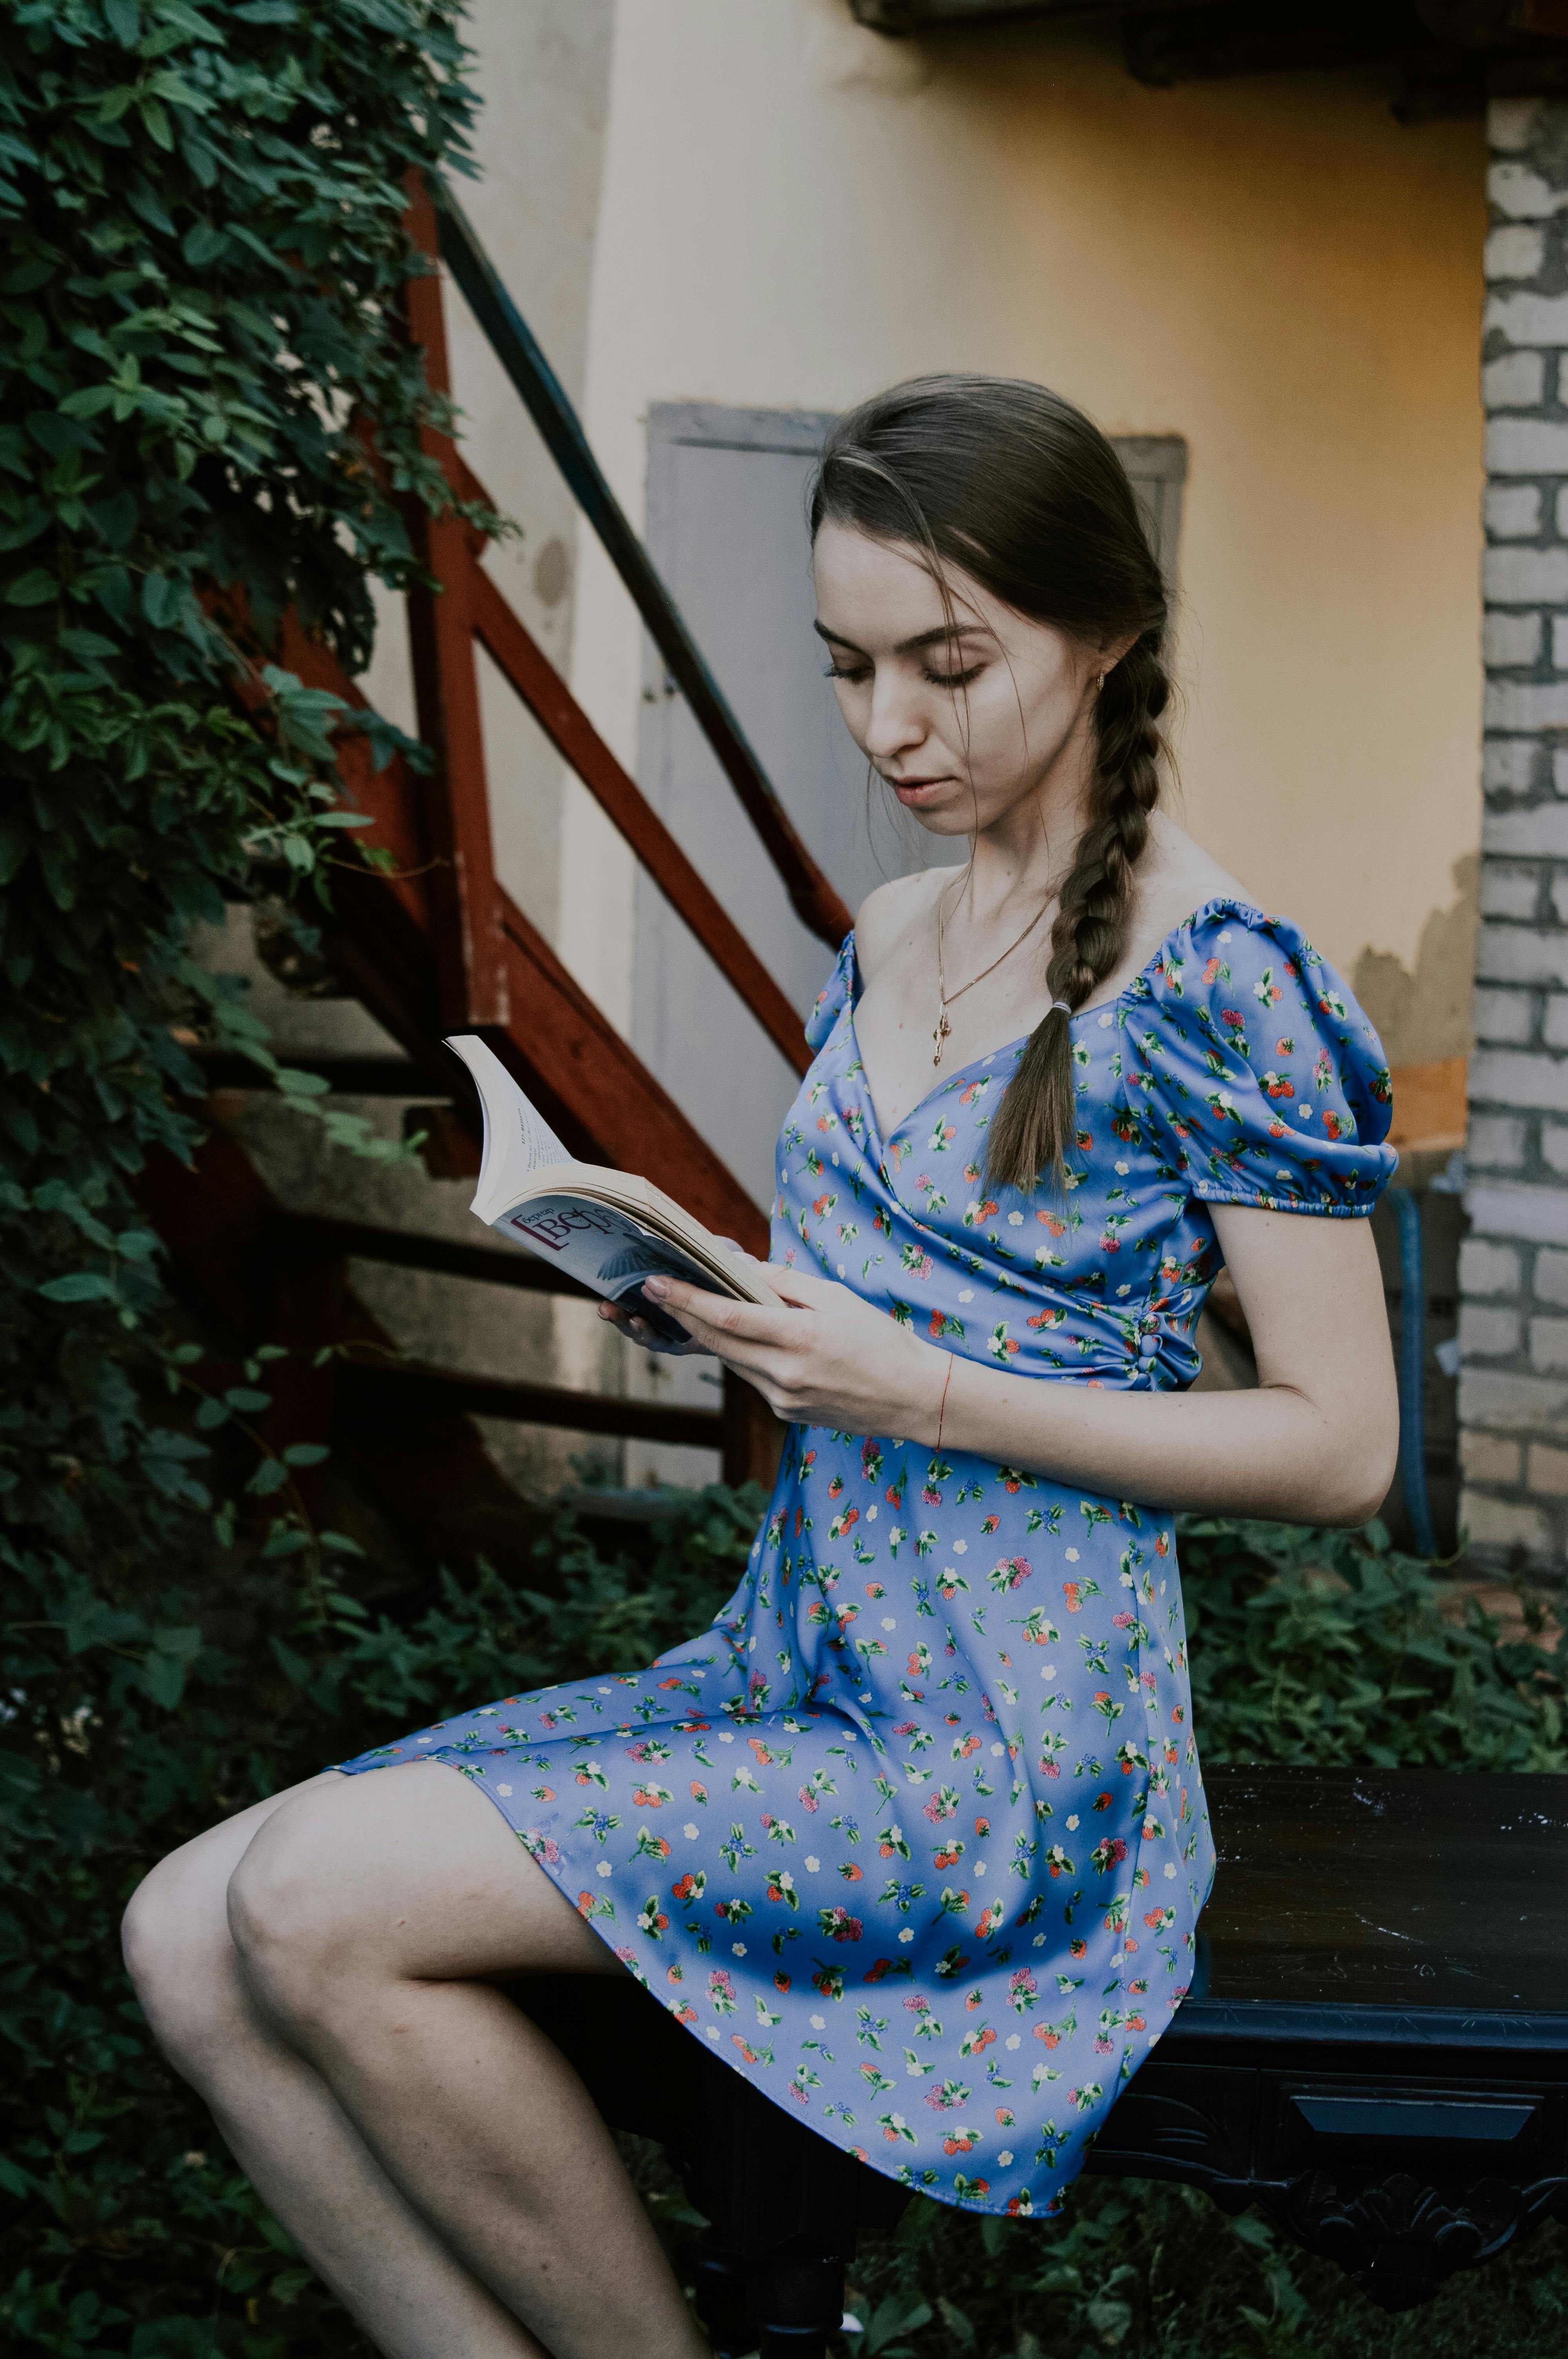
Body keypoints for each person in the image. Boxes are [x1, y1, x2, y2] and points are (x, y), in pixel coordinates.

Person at [122, 375, 1399, 2359]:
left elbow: (1341, 1447)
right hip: (801, 1669)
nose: (891, 726)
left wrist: (927, 1392)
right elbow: (867, 1307)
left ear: (1112, 632)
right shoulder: (890, 929)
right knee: (184, 1940)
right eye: (849, 667)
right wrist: (698, 1297)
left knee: (309, 1903)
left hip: (1001, 1754)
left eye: (949, 663)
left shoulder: (1220, 970)